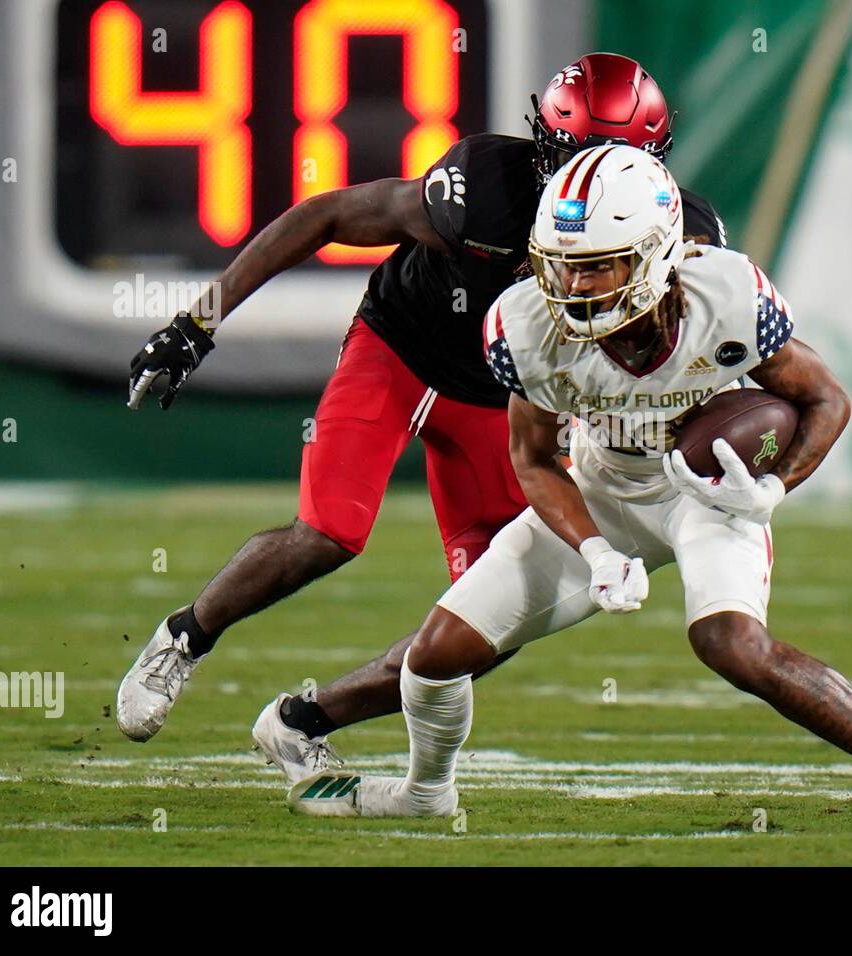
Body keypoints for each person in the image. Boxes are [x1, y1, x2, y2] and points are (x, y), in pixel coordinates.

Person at [259, 145, 852, 832]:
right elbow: (537, 458)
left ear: (652, 255)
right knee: (436, 656)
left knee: (733, 644)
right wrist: (595, 549)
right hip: (602, 488)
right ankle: (426, 794)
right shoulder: (529, 325)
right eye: (560, 264)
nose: (569, 285)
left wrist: (772, 488)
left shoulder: (727, 297)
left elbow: (827, 400)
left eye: (595, 266)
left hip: (707, 491)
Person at [115, 54, 726, 747]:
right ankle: (185, 638)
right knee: (328, 533)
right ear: (544, 150)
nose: (595, 187)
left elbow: (712, 347)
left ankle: (304, 721)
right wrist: (197, 324)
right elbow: (330, 213)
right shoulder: (485, 191)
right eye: (577, 163)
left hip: (501, 402)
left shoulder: (680, 235)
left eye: (621, 164)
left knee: (491, 623)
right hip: (399, 352)